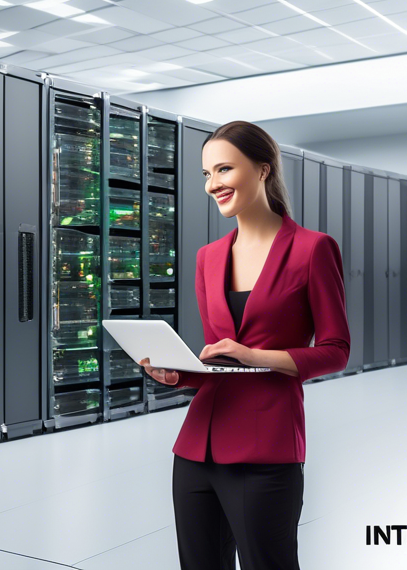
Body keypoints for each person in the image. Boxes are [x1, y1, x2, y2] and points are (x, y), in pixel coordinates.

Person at [139, 121, 350, 570]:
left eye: (223, 169)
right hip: (197, 450)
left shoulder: (313, 249)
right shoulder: (208, 257)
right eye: (205, 174)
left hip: (266, 449)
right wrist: (176, 373)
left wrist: (255, 357)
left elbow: (336, 349)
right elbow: (218, 354)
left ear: (262, 170)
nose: (212, 184)